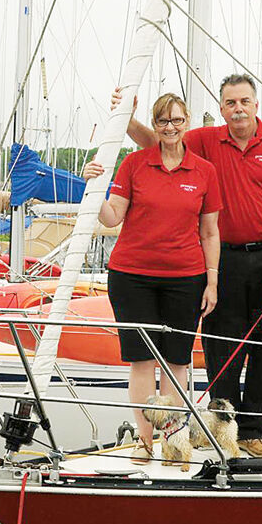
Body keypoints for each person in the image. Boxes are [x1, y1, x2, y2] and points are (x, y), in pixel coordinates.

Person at [114, 74, 262, 458]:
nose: (237, 108)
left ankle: (252, 432)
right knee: (222, 348)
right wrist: (126, 118)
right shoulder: (208, 140)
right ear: (221, 108)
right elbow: (161, 143)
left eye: (244, 101)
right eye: (230, 103)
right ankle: (223, 429)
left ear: (256, 104)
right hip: (225, 257)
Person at [84, 92, 221, 464]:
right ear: (155, 125)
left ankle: (173, 439)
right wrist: (94, 187)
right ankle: (145, 441)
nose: (170, 128)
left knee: (177, 362)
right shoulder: (134, 163)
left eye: (177, 121)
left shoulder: (204, 171)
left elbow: (210, 232)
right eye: (163, 121)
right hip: (132, 276)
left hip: (186, 277)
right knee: (142, 361)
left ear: (187, 122)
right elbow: (112, 218)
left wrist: (212, 282)